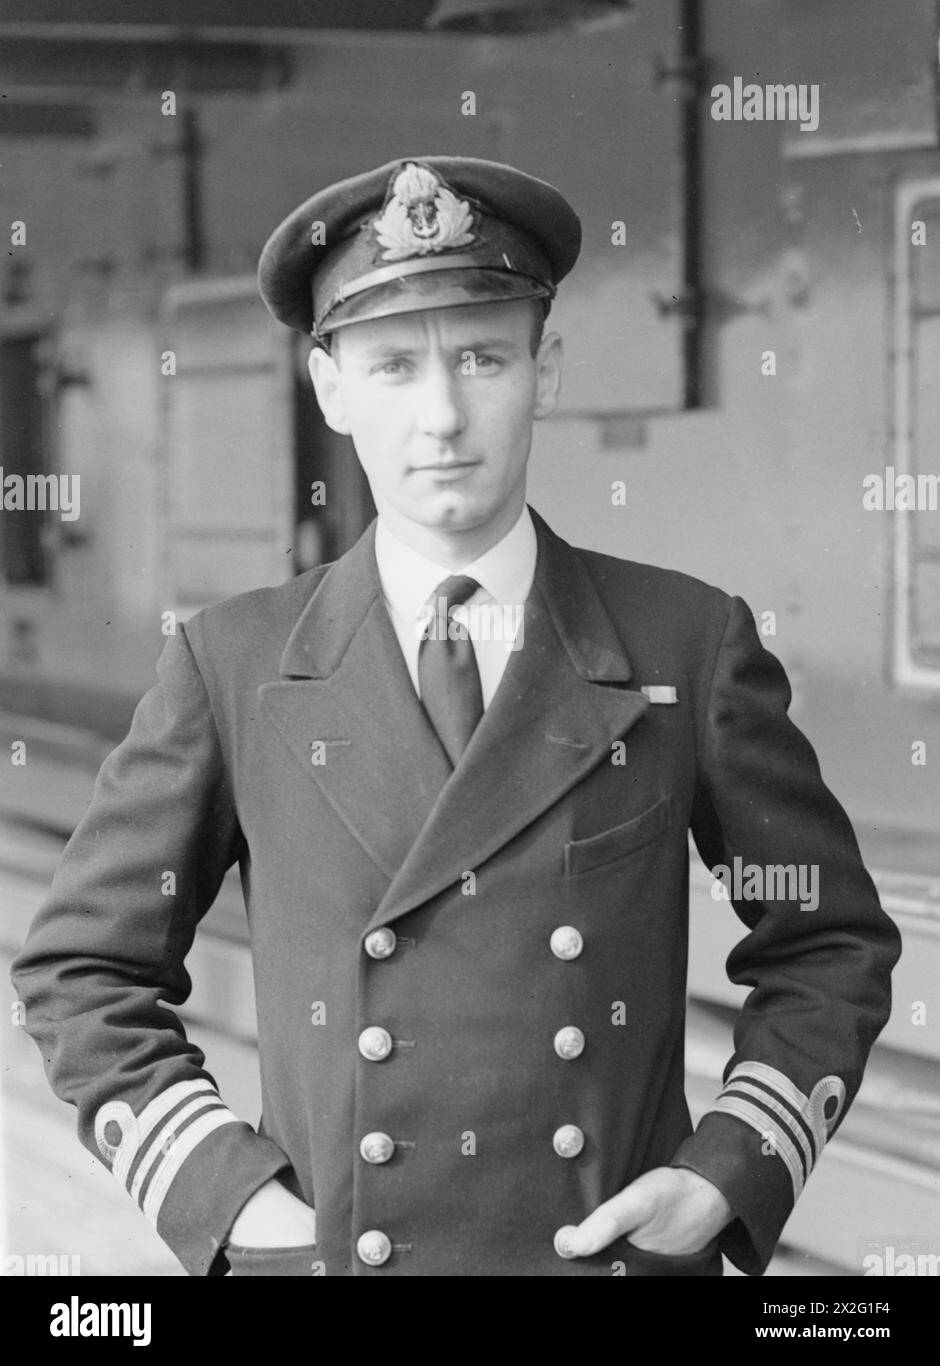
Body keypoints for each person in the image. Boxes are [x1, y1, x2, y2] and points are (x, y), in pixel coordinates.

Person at [11, 155, 902, 1277]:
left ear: (546, 369)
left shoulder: (686, 642)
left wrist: (725, 1171)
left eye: (481, 356)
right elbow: (83, 968)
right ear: (330, 388)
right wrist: (228, 1200)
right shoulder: (232, 663)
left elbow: (828, 938)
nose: (440, 415)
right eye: (392, 366)